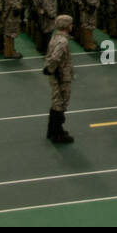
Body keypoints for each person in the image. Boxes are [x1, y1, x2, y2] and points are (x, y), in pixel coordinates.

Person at [43, 14, 75, 144]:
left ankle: (52, 130)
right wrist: (50, 69)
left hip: (57, 74)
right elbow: (56, 57)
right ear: (67, 26)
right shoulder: (63, 41)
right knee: (60, 104)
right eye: (71, 24)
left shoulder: (56, 37)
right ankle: (57, 134)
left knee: (57, 101)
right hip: (61, 76)